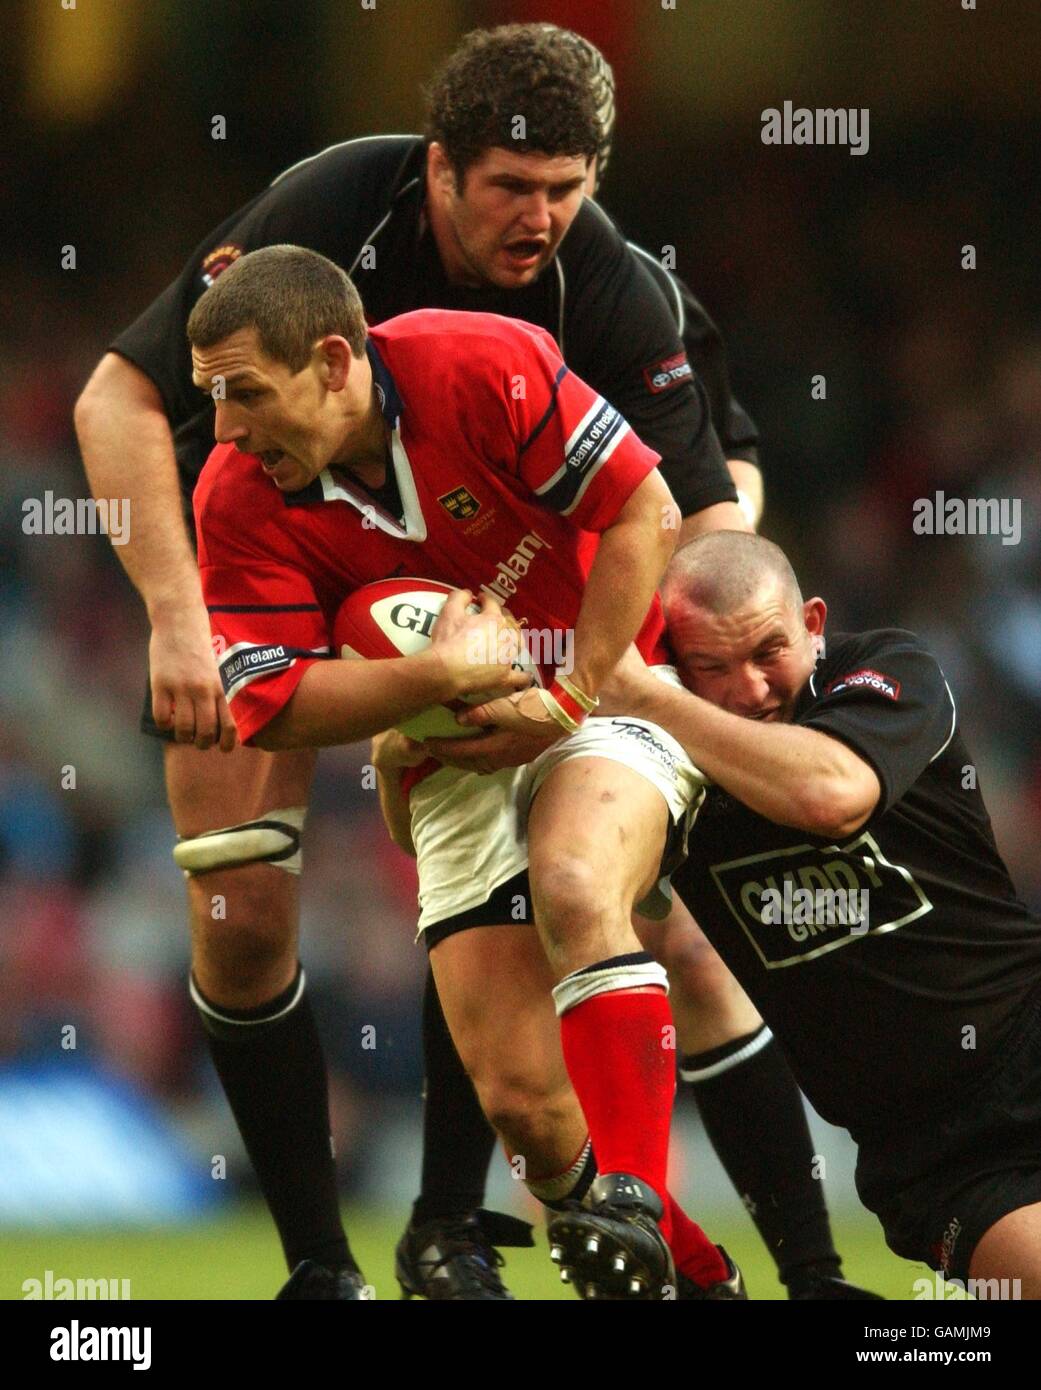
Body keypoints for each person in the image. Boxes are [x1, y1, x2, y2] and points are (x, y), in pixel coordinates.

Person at [71, 22, 833, 1299]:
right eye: (512, 188)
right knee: (239, 915)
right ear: (436, 169)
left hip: (548, 595)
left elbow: (694, 521)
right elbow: (121, 398)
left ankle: (778, 1276)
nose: (543, 217)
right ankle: (325, 1263)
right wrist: (176, 621)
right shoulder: (325, 215)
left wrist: (623, 696)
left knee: (656, 926)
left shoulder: (609, 291)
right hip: (317, 584)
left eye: (567, 189)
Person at [183, 243, 743, 1300]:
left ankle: (634, 1194)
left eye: (246, 393)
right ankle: (701, 1277)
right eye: (211, 398)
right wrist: (436, 676)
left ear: (336, 360)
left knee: (577, 881)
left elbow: (646, 512)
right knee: (527, 1110)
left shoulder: (482, 363)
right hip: (448, 752)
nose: (225, 428)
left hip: (597, 688)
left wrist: (569, 695)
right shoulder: (233, 496)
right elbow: (270, 708)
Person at [538, 529, 1041, 1297]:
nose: (748, 689)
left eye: (768, 652)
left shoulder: (882, 670)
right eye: (710, 665)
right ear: (673, 657)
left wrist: (648, 694)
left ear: (812, 623)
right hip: (937, 1155)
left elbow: (829, 796)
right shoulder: (664, 771)